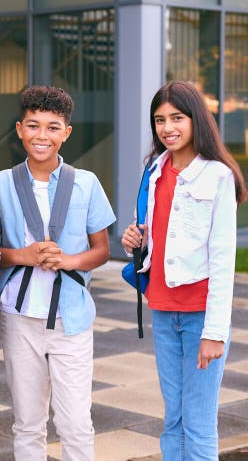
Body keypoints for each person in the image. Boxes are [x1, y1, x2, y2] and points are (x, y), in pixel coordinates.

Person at [121, 81, 246, 460]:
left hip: (200, 314)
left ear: (196, 120)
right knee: (172, 418)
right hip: (163, 309)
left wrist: (214, 333)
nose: (167, 127)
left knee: (199, 421)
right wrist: (136, 239)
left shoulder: (218, 176)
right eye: (159, 120)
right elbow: (157, 235)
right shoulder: (154, 170)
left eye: (177, 118)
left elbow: (223, 260)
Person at [0, 86, 115, 460]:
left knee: (75, 423)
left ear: (66, 132)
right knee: (27, 423)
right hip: (19, 316)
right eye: (33, 126)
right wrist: (23, 255)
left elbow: (102, 250)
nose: (42, 135)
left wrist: (68, 261)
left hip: (71, 318)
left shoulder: (86, 183)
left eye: (53, 127)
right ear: (20, 129)